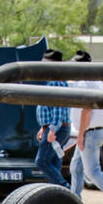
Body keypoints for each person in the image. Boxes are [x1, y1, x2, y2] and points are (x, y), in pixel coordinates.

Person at [69, 51, 103, 198]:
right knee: (76, 167)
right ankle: (75, 199)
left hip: (88, 132)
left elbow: (87, 110)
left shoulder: (82, 83)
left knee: (92, 172)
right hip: (94, 131)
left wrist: (80, 136)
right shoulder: (96, 81)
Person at [33, 48, 70, 186]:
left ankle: (64, 188)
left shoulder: (55, 82)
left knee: (42, 161)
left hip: (57, 128)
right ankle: (60, 191)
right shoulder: (53, 81)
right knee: (54, 161)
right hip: (55, 127)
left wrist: (53, 129)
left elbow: (58, 108)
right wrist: (44, 127)